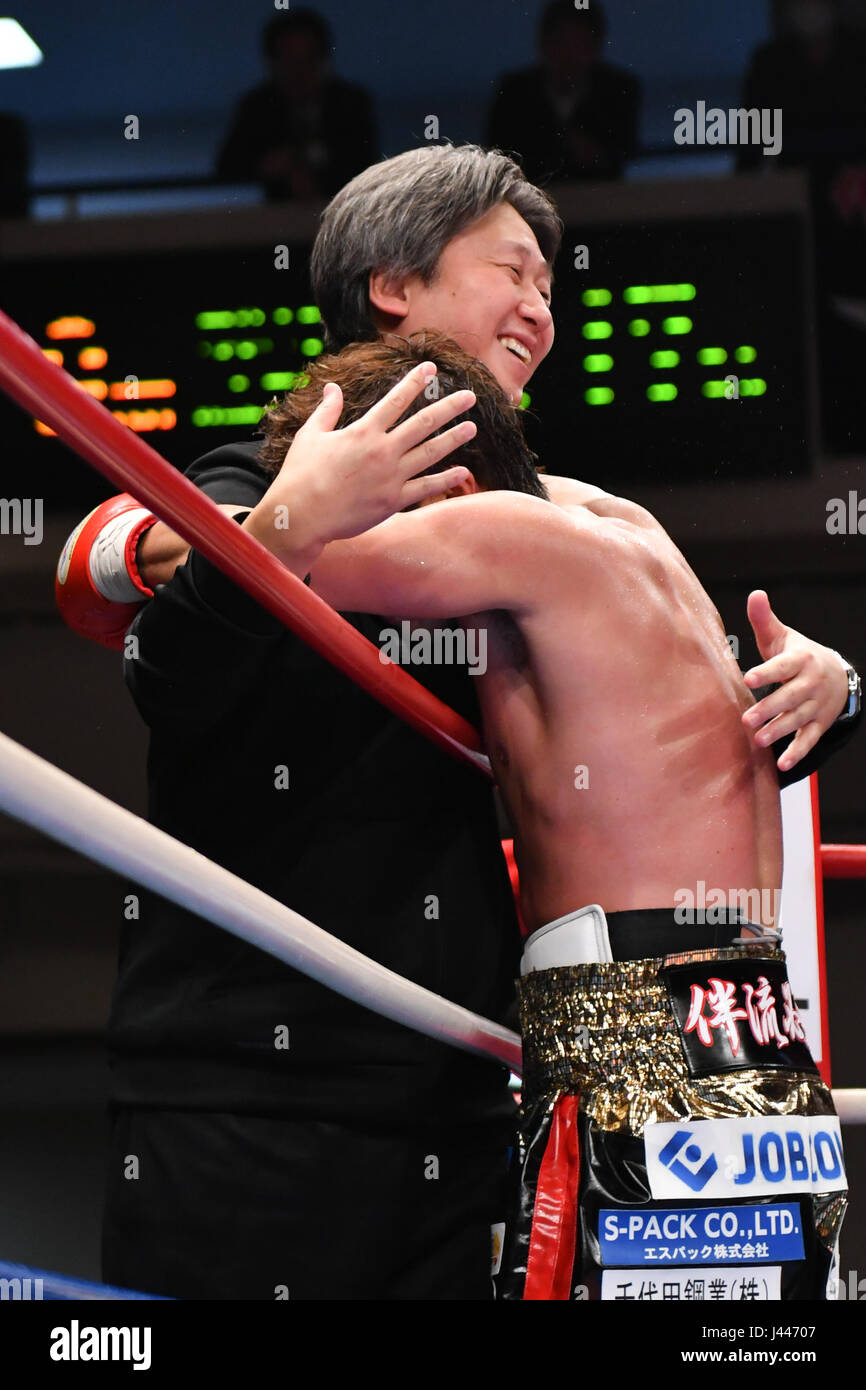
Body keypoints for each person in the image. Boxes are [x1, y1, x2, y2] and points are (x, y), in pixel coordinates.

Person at [54, 145, 856, 1300]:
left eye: (549, 284)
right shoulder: (269, 479)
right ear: (396, 284)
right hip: (264, 1074)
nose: (539, 306)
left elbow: (699, 724)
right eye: (511, 270)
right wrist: (273, 517)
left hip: (480, 1072)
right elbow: (127, 585)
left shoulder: (561, 520)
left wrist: (833, 685)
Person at [260, 329, 846, 1302]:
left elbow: (267, 560)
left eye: (381, 485)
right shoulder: (621, 524)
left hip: (634, 1030)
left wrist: (120, 536)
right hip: (752, 1037)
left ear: (440, 482)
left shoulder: (497, 529)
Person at [215, 9, 378, 201]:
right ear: (272, 64)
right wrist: (272, 165)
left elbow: (367, 165)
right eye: (289, 61)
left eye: (309, 59)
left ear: (324, 59)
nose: (300, 72)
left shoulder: (351, 103)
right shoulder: (257, 106)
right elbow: (226, 166)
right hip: (277, 223)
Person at [485, 1, 641, 185]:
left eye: (580, 45)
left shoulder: (619, 91)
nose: (570, 56)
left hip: (602, 205)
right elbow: (496, 155)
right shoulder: (514, 92)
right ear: (543, 44)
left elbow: (626, 153)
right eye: (562, 43)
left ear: (596, 48)